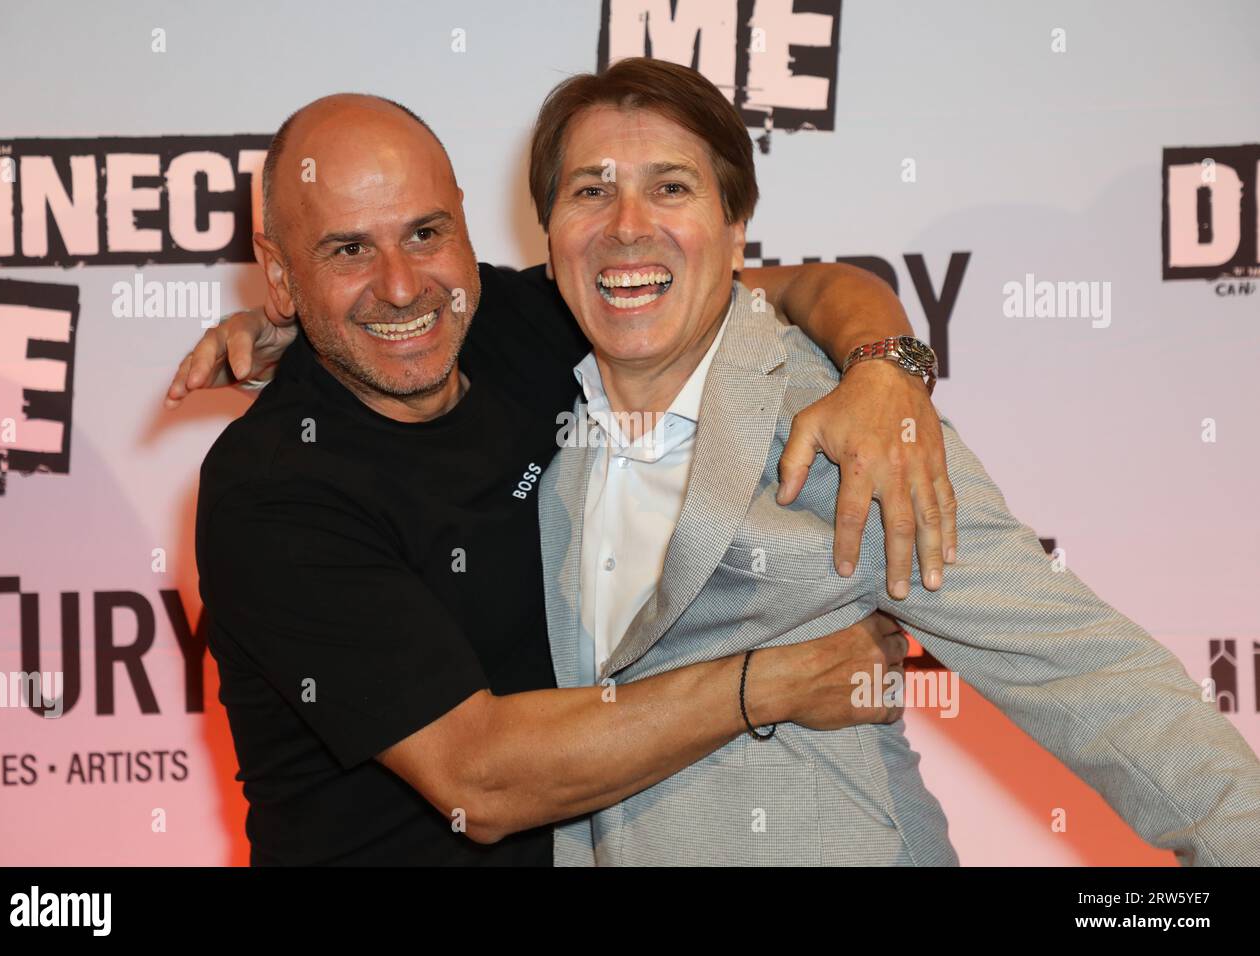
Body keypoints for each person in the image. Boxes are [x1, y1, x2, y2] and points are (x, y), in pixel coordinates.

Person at [181, 91, 954, 865]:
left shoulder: (514, 322)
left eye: (425, 233)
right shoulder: (270, 490)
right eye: (347, 250)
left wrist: (887, 369)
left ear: (462, 222)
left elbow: (794, 288)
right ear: (278, 276)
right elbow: (479, 780)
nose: (400, 284)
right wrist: (772, 683)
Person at [529, 58, 1260, 865]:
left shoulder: (848, 426)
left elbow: (1078, 666)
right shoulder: (524, 419)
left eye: (671, 188)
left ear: (736, 227)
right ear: (550, 229)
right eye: (590, 191)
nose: (628, 224)